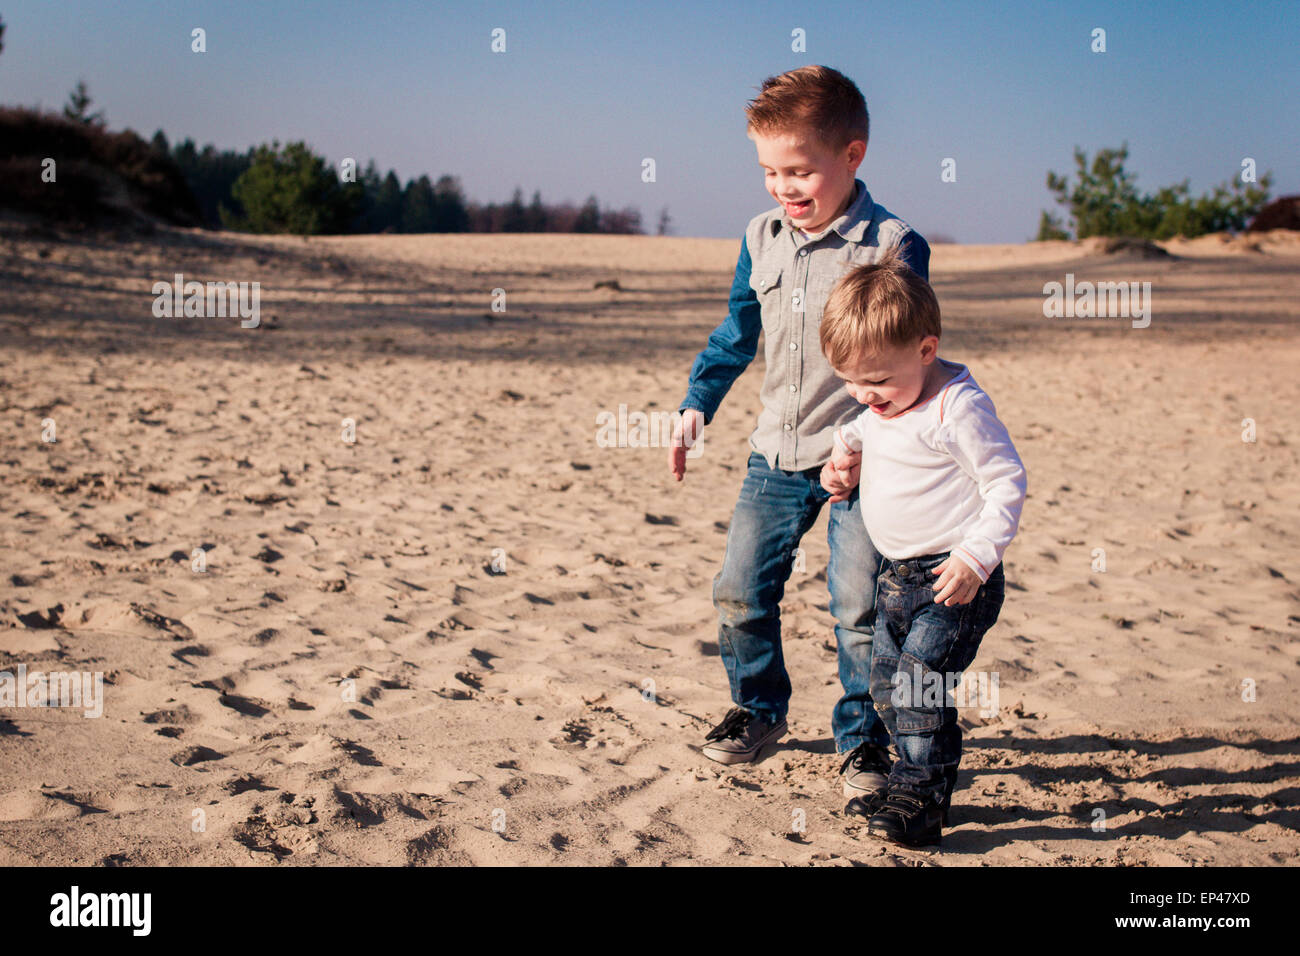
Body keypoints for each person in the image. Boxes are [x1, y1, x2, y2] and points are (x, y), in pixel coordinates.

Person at [667, 65, 930, 808]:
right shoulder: (761, 237)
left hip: (865, 463)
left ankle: (864, 738)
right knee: (740, 590)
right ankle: (758, 708)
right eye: (769, 171)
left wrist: (869, 439)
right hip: (775, 453)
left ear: (853, 156)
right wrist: (697, 404)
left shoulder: (893, 246)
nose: (783, 186)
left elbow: (913, 363)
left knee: (858, 609)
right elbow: (736, 333)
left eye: (800, 170)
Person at [819, 248, 1026, 846]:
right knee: (887, 684)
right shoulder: (888, 398)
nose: (863, 394)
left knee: (918, 685)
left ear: (926, 350)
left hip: (953, 578)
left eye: (876, 380)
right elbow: (862, 429)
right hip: (896, 579)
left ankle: (923, 797)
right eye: (849, 381)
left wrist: (975, 558)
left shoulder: (957, 408)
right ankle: (909, 776)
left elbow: (1006, 482)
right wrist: (842, 460)